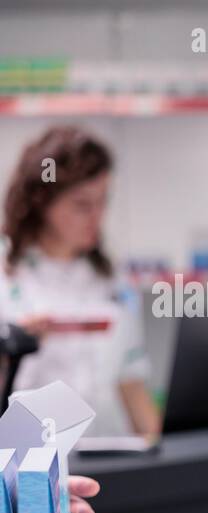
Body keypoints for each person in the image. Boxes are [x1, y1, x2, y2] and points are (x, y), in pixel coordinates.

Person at [0, 126, 159, 438]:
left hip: (110, 459)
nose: (97, 217)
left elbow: (132, 385)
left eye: (103, 202)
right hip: (33, 470)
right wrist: (11, 348)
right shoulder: (6, 276)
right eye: (82, 205)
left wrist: (173, 459)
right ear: (41, 200)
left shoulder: (112, 282)